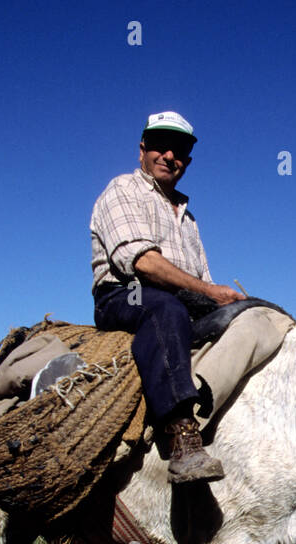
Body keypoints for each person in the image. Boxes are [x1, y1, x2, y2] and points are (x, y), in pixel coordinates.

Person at [90, 111, 245, 483]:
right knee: (163, 307)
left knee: (253, 315)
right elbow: (141, 263)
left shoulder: (188, 218)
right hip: (125, 295)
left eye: (178, 150)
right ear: (141, 150)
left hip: (184, 298)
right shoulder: (122, 190)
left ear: (187, 162)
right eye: (160, 146)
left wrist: (231, 304)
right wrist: (208, 291)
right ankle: (180, 438)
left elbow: (201, 280)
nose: (168, 155)